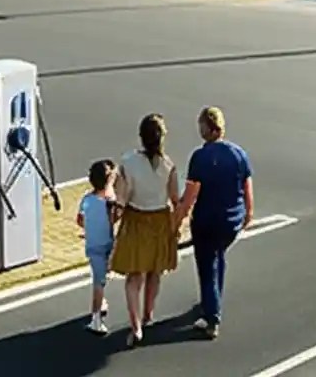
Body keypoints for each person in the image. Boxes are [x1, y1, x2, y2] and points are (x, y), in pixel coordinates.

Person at [173, 106, 254, 340]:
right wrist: (248, 213)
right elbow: (247, 185)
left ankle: (212, 317)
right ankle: (213, 298)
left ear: (207, 129)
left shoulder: (199, 157)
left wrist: (177, 221)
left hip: (207, 222)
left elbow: (190, 197)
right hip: (231, 221)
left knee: (207, 266)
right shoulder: (238, 154)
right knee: (218, 256)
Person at [110, 113, 180, 347]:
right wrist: (177, 226)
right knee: (154, 271)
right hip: (160, 220)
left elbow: (121, 199)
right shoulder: (169, 165)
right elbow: (174, 198)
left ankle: (136, 325)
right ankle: (149, 313)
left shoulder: (128, 162)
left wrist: (111, 221)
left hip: (136, 221)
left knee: (134, 276)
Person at [77, 159, 117, 334]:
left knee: (100, 276)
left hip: (93, 245)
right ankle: (96, 318)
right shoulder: (109, 201)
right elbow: (113, 219)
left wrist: (89, 227)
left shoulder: (87, 199)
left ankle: (100, 303)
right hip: (106, 244)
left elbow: (80, 219)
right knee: (99, 282)